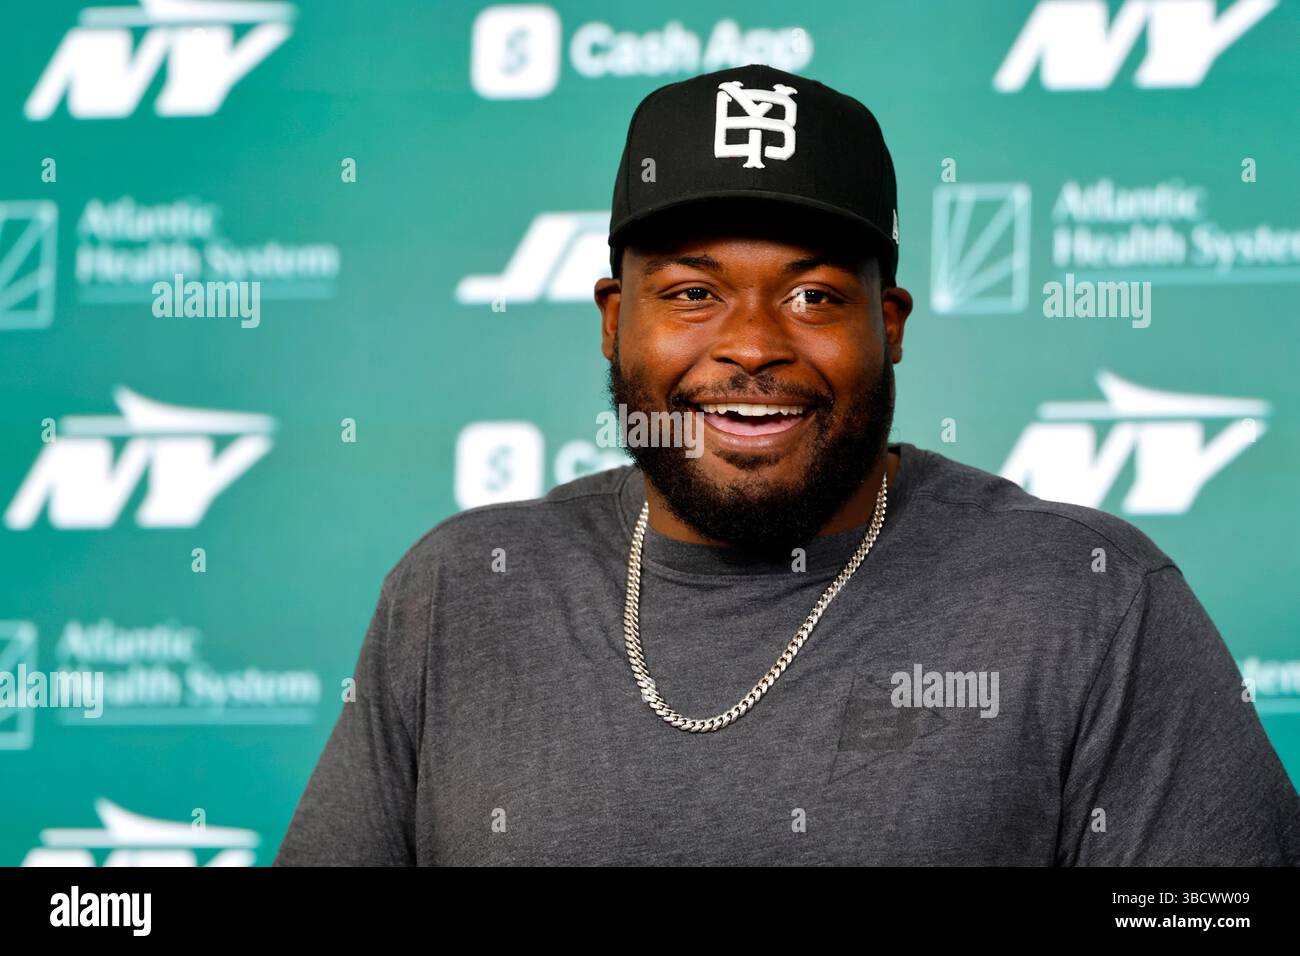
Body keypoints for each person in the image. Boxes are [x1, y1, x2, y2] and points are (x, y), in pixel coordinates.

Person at [275, 64, 1300, 866]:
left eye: (813, 295)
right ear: (612, 319)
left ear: (888, 324)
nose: (754, 343)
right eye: (689, 293)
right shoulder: (461, 590)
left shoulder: (1091, 598)